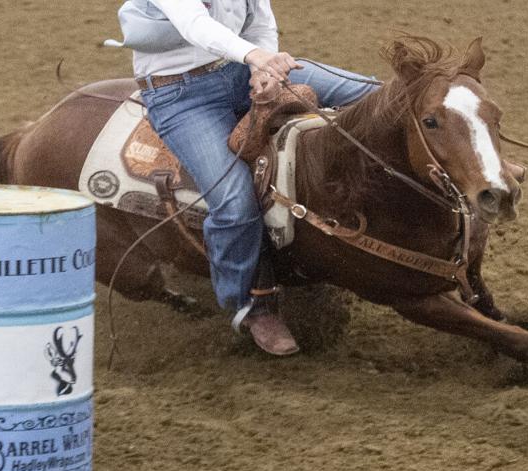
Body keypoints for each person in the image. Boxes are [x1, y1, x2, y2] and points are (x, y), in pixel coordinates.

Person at [114, 0, 379, 354]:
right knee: (234, 202)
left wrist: (264, 70)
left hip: (241, 71)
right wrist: (257, 57)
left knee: (377, 95)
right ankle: (251, 306)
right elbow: (195, 24)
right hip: (182, 96)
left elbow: (260, 21)